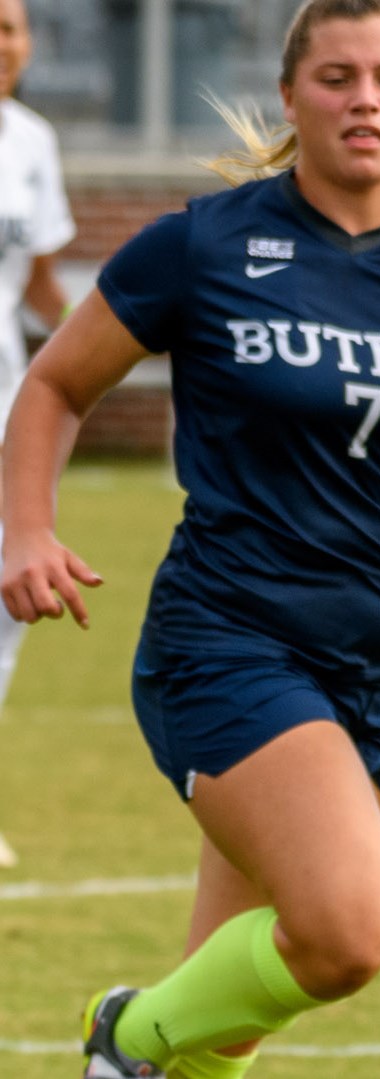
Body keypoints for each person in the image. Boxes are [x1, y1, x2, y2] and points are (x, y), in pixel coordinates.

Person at [0, 3, 380, 1077]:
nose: (364, 99)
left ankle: (152, 1056)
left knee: (230, 1011)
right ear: (290, 98)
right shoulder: (208, 242)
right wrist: (26, 530)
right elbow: (54, 381)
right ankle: (125, 1033)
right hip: (227, 641)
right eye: (335, 77)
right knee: (349, 927)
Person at [0, 0, 75, 872]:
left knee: (6, 606)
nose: (3, 43)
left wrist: (110, 340)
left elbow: (43, 288)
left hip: (7, 406)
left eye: (13, 26)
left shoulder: (32, 143)